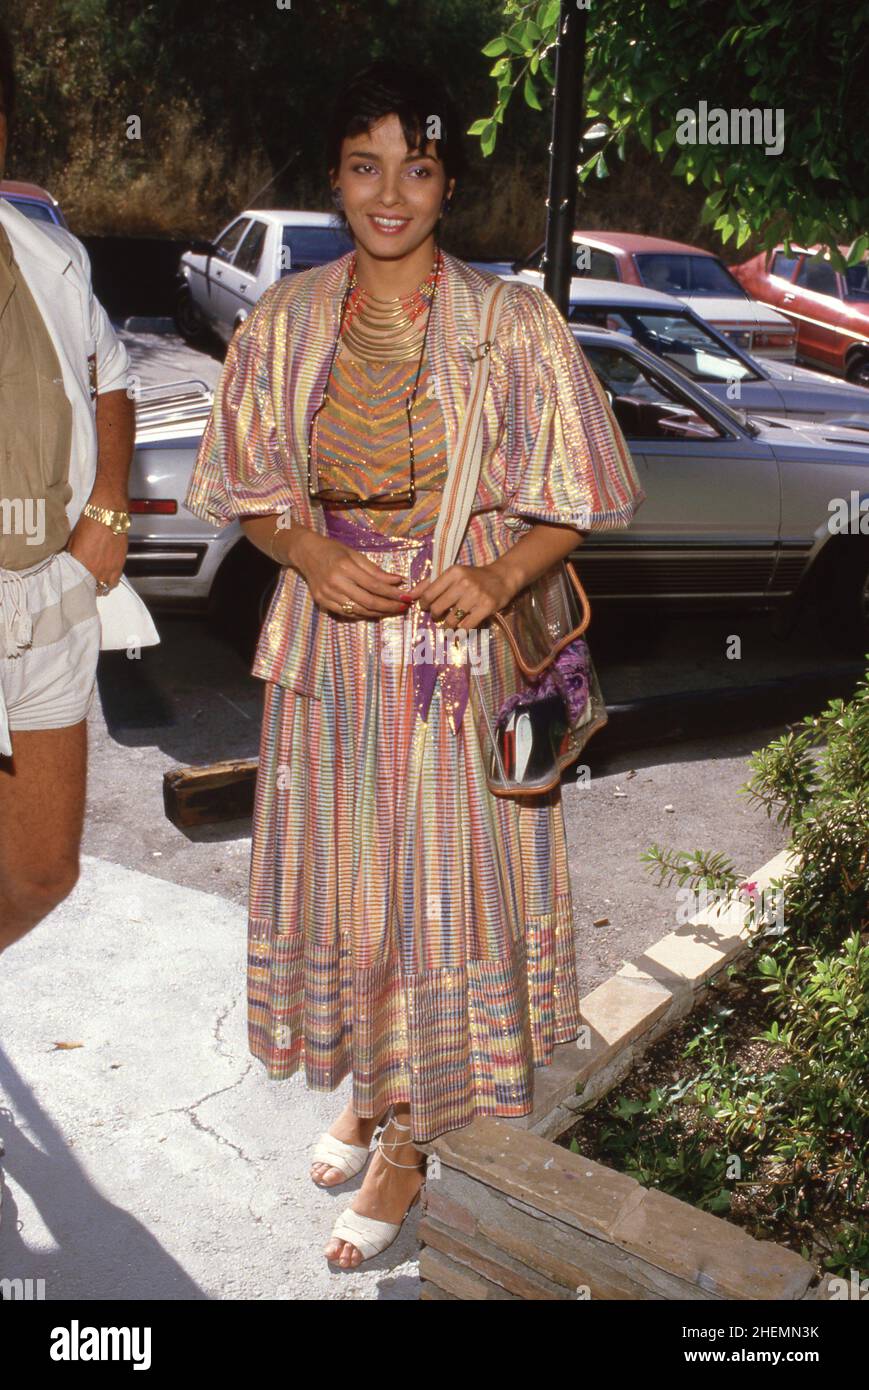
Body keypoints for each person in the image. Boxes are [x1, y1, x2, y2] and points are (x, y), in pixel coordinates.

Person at [184, 59, 645, 1270]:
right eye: (364, 164)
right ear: (334, 176)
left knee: (430, 901)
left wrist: (495, 577)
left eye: (418, 165)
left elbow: (579, 498)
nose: (390, 192)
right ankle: (373, 1083)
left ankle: (407, 1138)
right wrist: (300, 551)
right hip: (331, 660)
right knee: (347, 886)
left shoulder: (513, 323)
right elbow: (247, 489)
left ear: (450, 181)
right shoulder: (285, 320)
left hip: (455, 667)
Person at [0, 21, 158, 956]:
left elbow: (114, 373)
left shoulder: (44, 253)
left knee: (43, 871)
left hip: (47, 597)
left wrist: (107, 513)